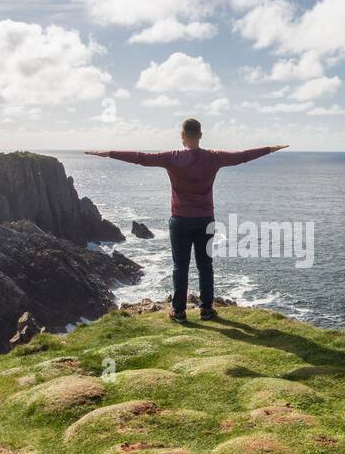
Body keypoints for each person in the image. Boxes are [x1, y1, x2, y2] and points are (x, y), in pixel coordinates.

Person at [86, 120, 287, 322]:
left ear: (182, 135)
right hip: (205, 220)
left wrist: (109, 152)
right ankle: (206, 309)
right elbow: (243, 156)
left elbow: (141, 158)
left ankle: (179, 311)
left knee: (180, 267)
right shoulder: (213, 157)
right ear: (200, 135)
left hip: (180, 220)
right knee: (205, 266)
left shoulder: (172, 158)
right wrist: (269, 149)